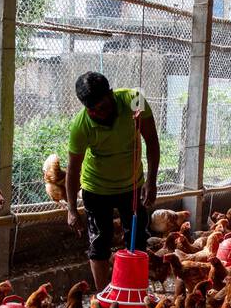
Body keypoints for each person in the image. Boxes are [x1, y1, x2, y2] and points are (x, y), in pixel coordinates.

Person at [64, 71, 160, 291]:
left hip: (132, 185)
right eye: (92, 110)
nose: (99, 113)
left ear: (111, 93)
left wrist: (151, 181)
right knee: (99, 242)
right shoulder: (81, 126)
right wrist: (71, 209)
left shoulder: (134, 99)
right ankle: (105, 301)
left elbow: (152, 142)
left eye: (103, 106)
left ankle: (133, 290)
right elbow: (73, 169)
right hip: (96, 188)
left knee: (137, 238)